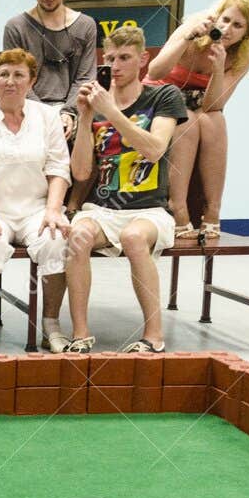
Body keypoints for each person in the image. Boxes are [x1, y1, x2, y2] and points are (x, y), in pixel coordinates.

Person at [66, 27, 188, 354]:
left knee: (133, 238)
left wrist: (111, 112)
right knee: (77, 236)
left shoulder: (163, 97)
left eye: (124, 58)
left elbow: (155, 149)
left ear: (143, 59)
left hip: (149, 210)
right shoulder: (96, 107)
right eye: (109, 59)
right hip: (103, 209)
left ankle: (154, 335)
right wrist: (85, 118)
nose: (115, 66)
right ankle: (80, 334)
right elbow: (81, 172)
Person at [0, 49, 73, 353]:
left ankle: (51, 325)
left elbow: (59, 168)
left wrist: (53, 210)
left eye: (19, 75)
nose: (10, 81)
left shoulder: (47, 116)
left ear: (32, 80)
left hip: (37, 209)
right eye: (3, 74)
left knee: (56, 238)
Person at [147, 0, 249, 240]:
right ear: (217, 16)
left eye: (237, 25)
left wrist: (218, 68)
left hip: (200, 104)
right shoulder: (192, 28)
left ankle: (212, 210)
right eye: (225, 20)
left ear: (248, 33)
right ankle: (177, 207)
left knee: (214, 120)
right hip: (160, 97)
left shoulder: (242, 57)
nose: (227, 29)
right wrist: (187, 38)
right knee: (187, 120)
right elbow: (155, 71)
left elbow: (214, 104)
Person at [2, 0, 96, 140]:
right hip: (28, 111)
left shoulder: (86, 25)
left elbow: (85, 77)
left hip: (73, 111)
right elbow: (16, 79)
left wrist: (68, 112)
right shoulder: (16, 27)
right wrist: (47, 117)